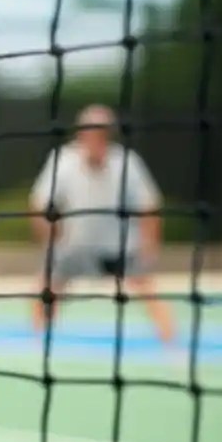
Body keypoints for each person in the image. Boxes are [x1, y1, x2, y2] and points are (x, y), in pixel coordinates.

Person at [29, 104, 178, 350]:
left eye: (101, 131)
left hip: (119, 248)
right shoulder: (62, 160)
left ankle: (173, 348)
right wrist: (50, 238)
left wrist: (149, 245)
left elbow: (149, 205)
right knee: (45, 289)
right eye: (90, 130)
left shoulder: (127, 162)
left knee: (149, 289)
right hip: (74, 248)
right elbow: (38, 204)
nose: (95, 136)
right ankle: (38, 345)